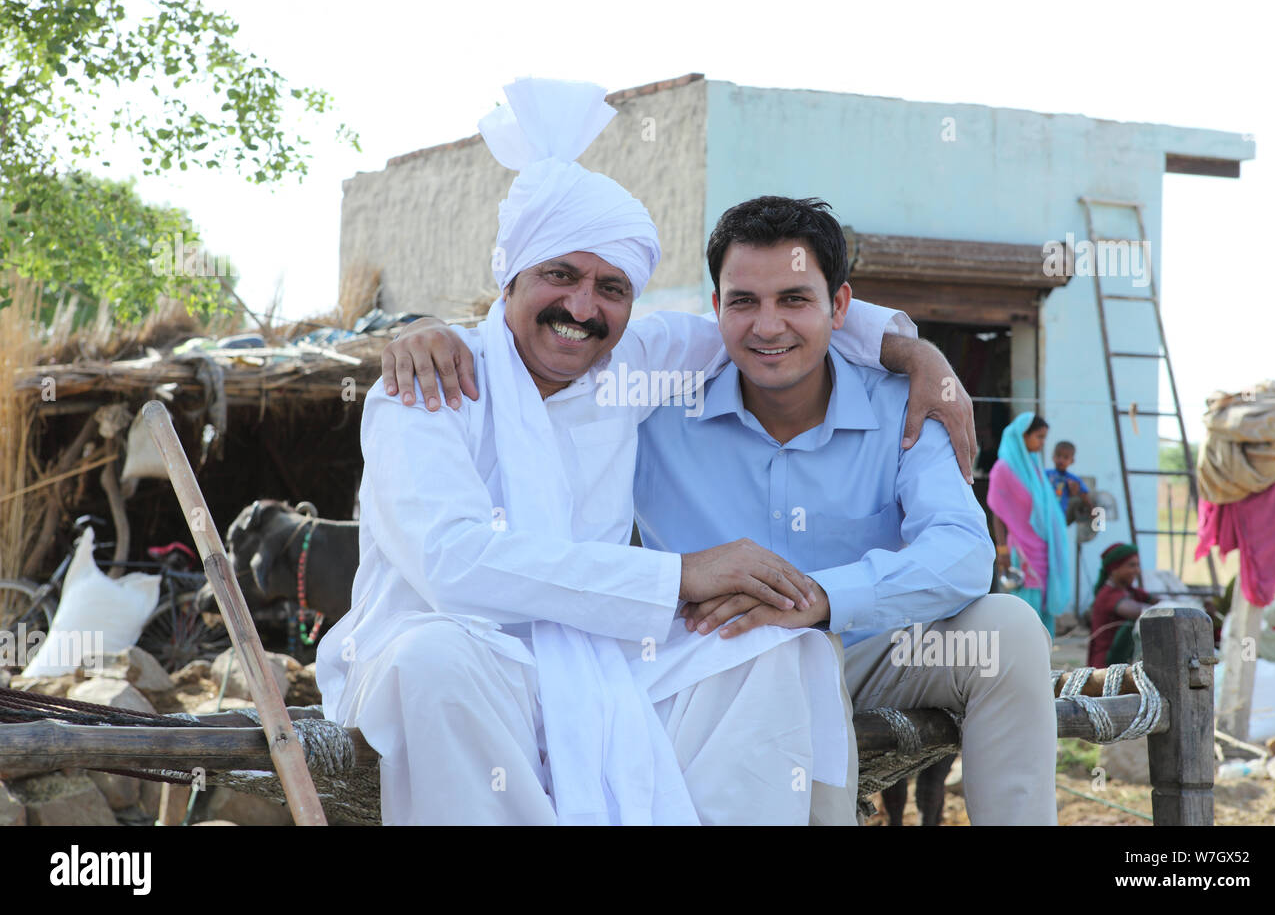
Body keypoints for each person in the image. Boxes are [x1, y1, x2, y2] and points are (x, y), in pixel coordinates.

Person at [320, 79, 967, 825]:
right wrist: (678, 576)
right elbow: (455, 565)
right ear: (510, 280)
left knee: (776, 649)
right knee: (432, 662)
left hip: (598, 654)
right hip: (456, 650)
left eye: (612, 287)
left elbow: (771, 323)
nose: (584, 307)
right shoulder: (430, 383)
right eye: (560, 275)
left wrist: (916, 353)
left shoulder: (636, 358)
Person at [631, 196, 1057, 825]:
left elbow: (965, 553)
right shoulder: (649, 415)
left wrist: (823, 597)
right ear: (716, 308)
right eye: (744, 301)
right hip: (716, 662)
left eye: (795, 299)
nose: (768, 326)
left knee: (1010, 630)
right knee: (784, 657)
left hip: (872, 649)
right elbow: (538, 353)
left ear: (840, 307)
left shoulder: (905, 409)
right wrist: (429, 332)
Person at [987, 413, 1070, 635]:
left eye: (1044, 438)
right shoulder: (1003, 469)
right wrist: (1002, 550)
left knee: (1044, 608)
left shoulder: (1035, 467)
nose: (1042, 443)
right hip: (1021, 550)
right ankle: (1023, 660)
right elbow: (998, 513)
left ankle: (1044, 662)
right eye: (1039, 437)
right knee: (1024, 610)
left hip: (1043, 548)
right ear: (1022, 436)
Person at [1087, 542, 1157, 667]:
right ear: (1114, 569)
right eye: (1131, 565)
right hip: (1105, 668)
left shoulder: (1130, 591)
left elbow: (1158, 602)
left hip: (1122, 664)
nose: (1137, 570)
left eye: (1137, 565)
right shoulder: (1108, 595)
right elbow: (1141, 612)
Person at [1047, 440, 1094, 520]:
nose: (1061, 460)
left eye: (1065, 457)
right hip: (1045, 510)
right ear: (1053, 457)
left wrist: (1091, 510)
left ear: (1072, 461)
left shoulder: (1073, 479)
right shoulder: (1046, 474)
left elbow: (1084, 495)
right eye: (1058, 456)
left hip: (1060, 513)